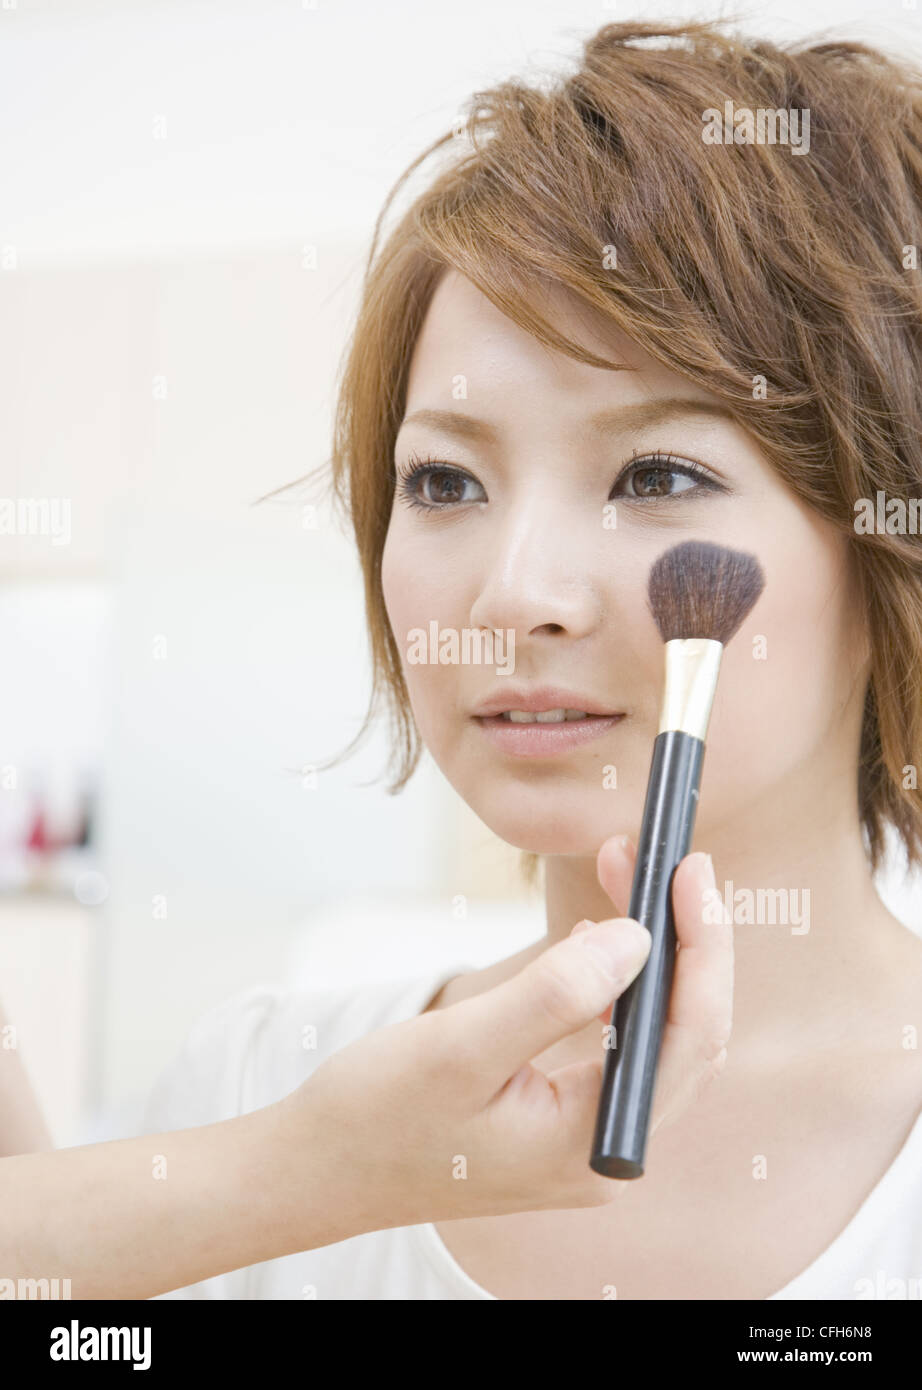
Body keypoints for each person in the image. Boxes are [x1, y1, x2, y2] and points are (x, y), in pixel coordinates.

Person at [4, 17, 922, 1301]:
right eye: (443, 480)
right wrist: (303, 1175)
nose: (511, 592)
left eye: (656, 472)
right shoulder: (267, 1087)